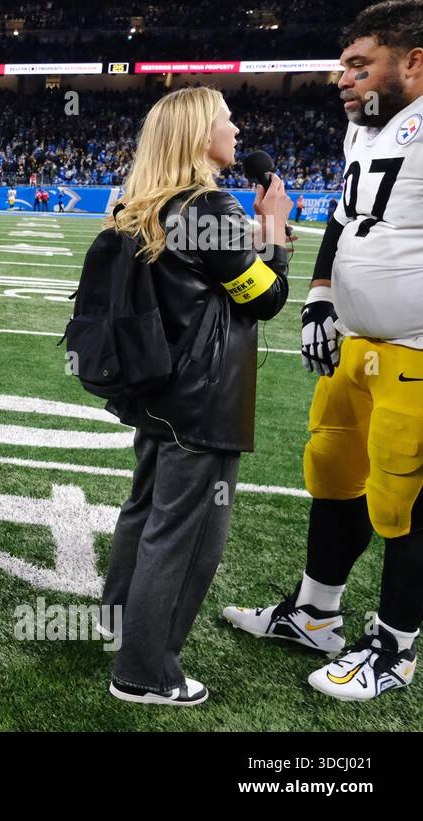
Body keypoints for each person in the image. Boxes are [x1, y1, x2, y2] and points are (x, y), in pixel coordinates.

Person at [224, 1, 423, 702]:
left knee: (405, 491)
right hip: (358, 342)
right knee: (332, 467)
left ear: (414, 61)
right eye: (344, 65)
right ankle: (315, 615)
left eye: (360, 64)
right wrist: (318, 296)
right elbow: (343, 219)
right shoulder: (364, 128)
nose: (344, 78)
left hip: (417, 350)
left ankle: (396, 649)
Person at [99, 87, 291, 705]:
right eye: (226, 119)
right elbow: (265, 298)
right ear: (197, 133)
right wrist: (276, 229)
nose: (236, 130)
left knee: (145, 512)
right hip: (203, 397)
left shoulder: (144, 201)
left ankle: (117, 625)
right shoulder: (208, 207)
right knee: (185, 536)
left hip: (156, 392)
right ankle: (145, 671)